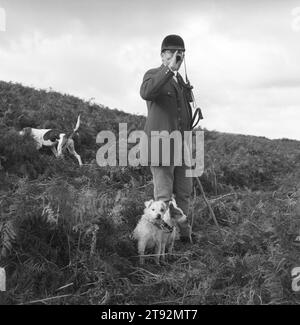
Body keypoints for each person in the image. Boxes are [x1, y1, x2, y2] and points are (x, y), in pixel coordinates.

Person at [140, 34, 194, 242]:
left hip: (182, 146)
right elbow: (146, 92)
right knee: (162, 198)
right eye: (171, 52)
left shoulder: (180, 81)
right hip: (161, 146)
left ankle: (182, 238)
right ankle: (160, 241)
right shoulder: (154, 75)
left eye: (179, 53)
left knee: (184, 194)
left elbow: (184, 117)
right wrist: (169, 69)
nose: (176, 57)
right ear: (162, 55)